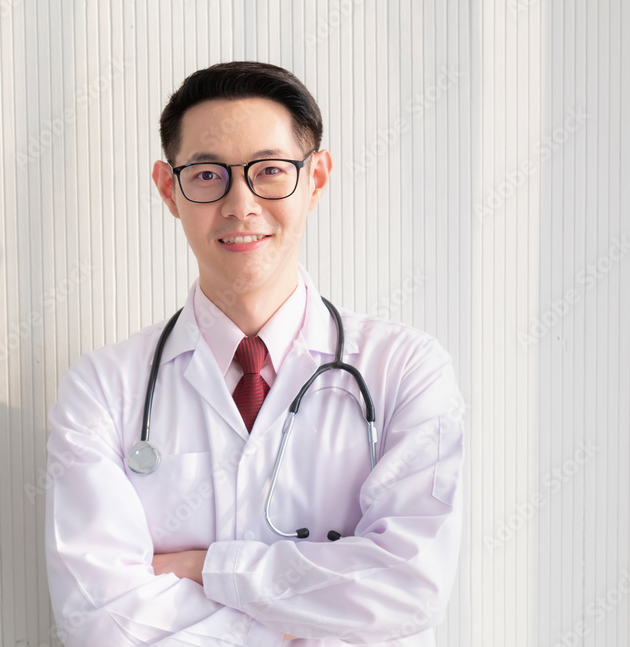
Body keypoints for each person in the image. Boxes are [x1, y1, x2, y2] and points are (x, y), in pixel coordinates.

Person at [44, 61, 464, 646]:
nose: (241, 204)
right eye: (209, 175)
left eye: (269, 171)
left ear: (316, 179)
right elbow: (101, 618)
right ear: (170, 189)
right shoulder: (104, 387)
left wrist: (208, 567)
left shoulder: (405, 370)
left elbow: (410, 587)